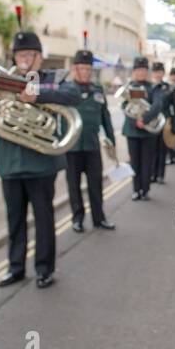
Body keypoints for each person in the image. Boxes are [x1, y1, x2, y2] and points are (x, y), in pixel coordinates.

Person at [0, 17, 81, 289]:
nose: (25, 59)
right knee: (14, 220)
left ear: (40, 57)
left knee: (43, 219)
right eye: (20, 54)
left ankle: (44, 269)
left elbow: (72, 94)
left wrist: (37, 94)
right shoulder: (3, 82)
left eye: (30, 54)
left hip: (41, 163)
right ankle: (15, 267)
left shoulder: (53, 79)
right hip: (10, 162)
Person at [59, 39, 117, 234]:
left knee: (96, 185)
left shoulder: (97, 90)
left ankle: (99, 218)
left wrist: (112, 141)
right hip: (72, 148)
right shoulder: (65, 90)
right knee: (74, 187)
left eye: (87, 69)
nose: (84, 72)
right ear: (74, 69)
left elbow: (105, 117)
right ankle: (77, 219)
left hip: (92, 146)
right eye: (81, 68)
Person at [122, 56, 161, 201]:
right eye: (138, 70)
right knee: (134, 162)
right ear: (134, 71)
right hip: (132, 131)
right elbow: (125, 107)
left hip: (148, 131)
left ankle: (145, 190)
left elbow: (157, 105)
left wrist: (144, 119)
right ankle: (136, 190)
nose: (141, 73)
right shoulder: (129, 87)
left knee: (147, 162)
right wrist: (135, 121)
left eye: (143, 70)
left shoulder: (153, 88)